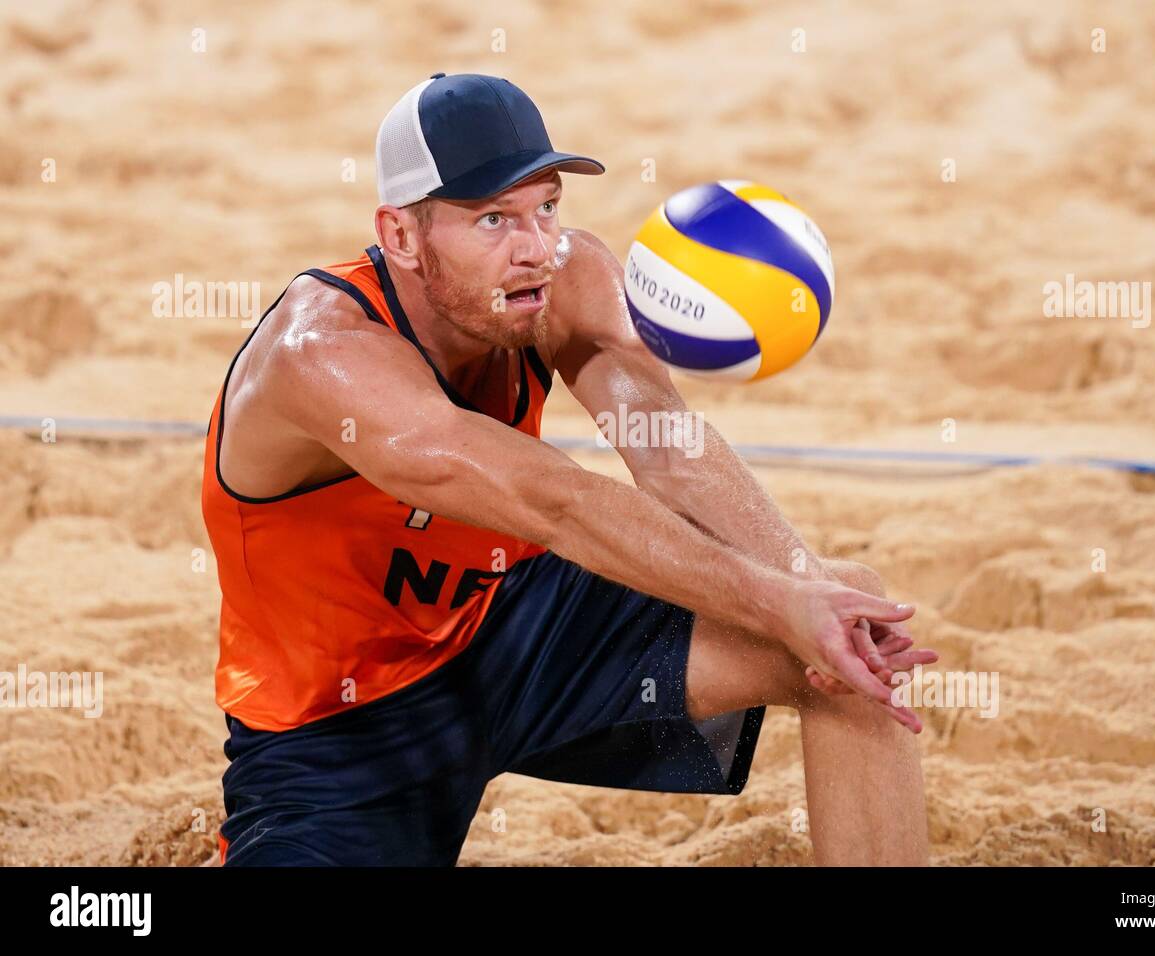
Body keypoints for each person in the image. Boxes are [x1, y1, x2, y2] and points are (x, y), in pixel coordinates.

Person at [201, 72, 938, 866]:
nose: (532, 248)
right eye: (492, 219)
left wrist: (803, 593)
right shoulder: (322, 356)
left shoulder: (562, 277)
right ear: (403, 236)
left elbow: (663, 443)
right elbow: (557, 503)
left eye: (546, 207)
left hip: (514, 622)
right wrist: (776, 600)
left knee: (848, 635)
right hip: (338, 723)